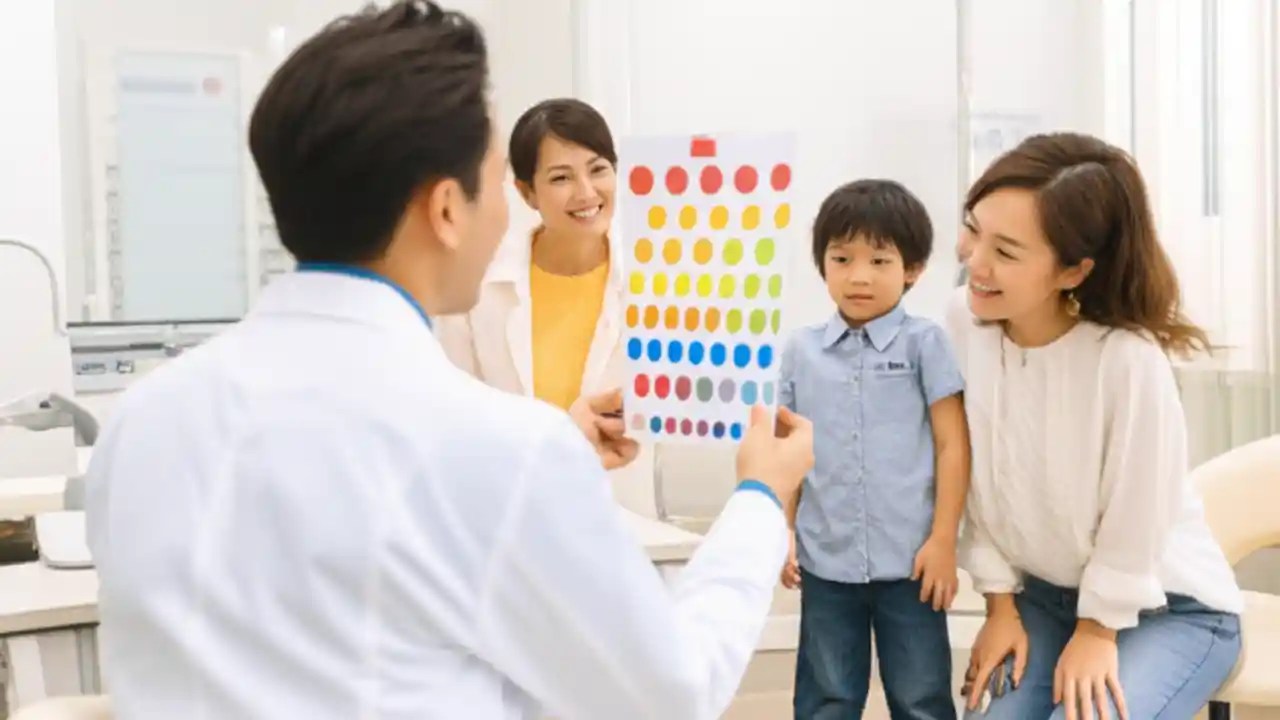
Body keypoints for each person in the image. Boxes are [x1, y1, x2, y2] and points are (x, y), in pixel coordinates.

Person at [82, 3, 816, 719]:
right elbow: (672, 693)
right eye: (502, 178)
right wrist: (759, 500)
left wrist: (563, 440)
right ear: (445, 209)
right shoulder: (497, 448)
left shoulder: (146, 420)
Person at [948, 132, 1244, 720]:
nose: (974, 262)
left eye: (1005, 252)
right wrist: (999, 605)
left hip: (1170, 609)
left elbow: (1138, 512)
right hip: (1041, 601)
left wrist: (1098, 630)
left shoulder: (1128, 361)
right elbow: (975, 477)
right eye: (973, 229)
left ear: (1073, 270)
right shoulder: (963, 322)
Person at [779, 180, 970, 720]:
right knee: (827, 697)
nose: (859, 275)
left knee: (920, 698)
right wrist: (784, 530)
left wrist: (943, 541)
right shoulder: (801, 351)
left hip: (911, 562)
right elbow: (786, 454)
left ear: (912, 269)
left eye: (880, 260)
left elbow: (952, 444)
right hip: (826, 559)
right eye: (842, 258)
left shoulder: (925, 344)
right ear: (823, 264)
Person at [434, 98, 655, 515]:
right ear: (526, 192)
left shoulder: (657, 282)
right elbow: (454, 422)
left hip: (623, 526)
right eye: (560, 178)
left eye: (598, 169)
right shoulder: (476, 287)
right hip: (509, 518)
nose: (586, 193)